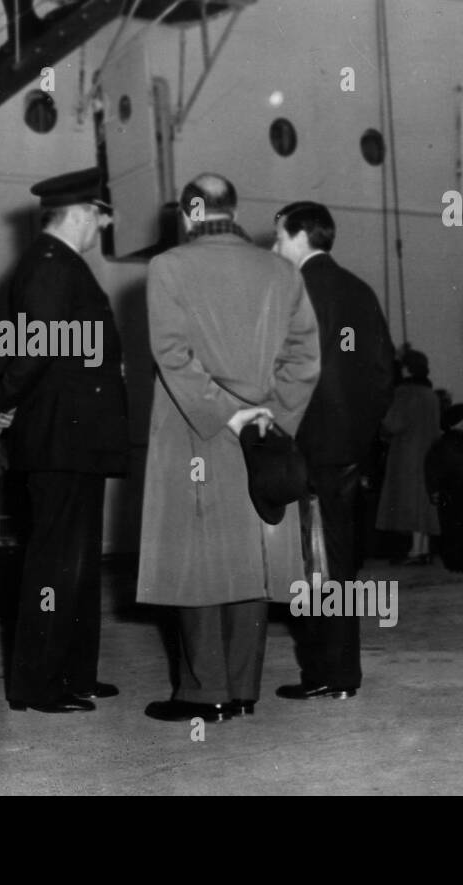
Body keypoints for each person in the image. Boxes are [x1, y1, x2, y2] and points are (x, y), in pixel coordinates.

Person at [137, 175, 320, 723]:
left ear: (189, 214)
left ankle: (202, 692)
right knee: (251, 563)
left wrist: (227, 414)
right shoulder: (281, 271)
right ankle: (242, 690)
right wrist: (269, 421)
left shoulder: (168, 267)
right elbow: (305, 360)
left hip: (196, 432)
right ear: (234, 210)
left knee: (198, 563)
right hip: (261, 439)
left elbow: (172, 354)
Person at [0, 167, 128, 714]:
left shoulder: (62, 265)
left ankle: (75, 674)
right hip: (60, 439)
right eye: (99, 216)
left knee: (79, 561)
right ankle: (37, 685)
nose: (101, 227)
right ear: (82, 214)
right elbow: (33, 353)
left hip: (77, 439)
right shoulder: (49, 266)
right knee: (55, 563)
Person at [272, 200, 393, 701]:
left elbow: (285, 370)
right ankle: (340, 672)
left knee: (313, 564)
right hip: (346, 450)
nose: (275, 246)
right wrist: (356, 437)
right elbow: (385, 372)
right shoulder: (360, 289)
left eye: (279, 236)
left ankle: (329, 674)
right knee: (338, 561)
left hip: (305, 447)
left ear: (300, 235)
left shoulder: (293, 289)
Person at [376, 347, 440, 564]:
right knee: (424, 504)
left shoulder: (405, 393)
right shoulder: (430, 394)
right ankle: (423, 549)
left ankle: (414, 551)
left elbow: (392, 424)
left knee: (409, 505)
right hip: (429, 453)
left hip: (406, 456)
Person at [425, 402, 463, 573]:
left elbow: (430, 468)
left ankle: (452, 562)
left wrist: (433, 490)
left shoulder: (439, 444)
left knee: (450, 529)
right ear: (460, 422)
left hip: (447, 492)